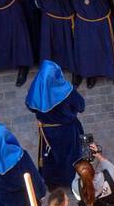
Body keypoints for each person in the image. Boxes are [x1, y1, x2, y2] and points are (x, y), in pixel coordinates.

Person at [25, 61, 85, 191]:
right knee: (71, 157)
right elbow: (81, 106)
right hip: (68, 131)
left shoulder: (36, 90)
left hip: (47, 131)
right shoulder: (67, 91)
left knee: (50, 156)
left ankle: (52, 183)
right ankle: (71, 181)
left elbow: (31, 106)